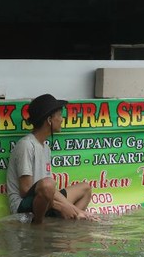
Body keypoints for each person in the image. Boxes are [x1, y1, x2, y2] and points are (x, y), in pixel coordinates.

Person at [7, 93, 95, 225]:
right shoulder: (26, 145)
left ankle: (68, 224)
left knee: (85, 189)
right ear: (49, 120)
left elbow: (50, 190)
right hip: (23, 207)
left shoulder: (46, 147)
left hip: (46, 200)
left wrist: (74, 210)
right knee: (48, 184)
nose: (62, 119)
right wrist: (61, 206)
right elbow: (25, 191)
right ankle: (38, 226)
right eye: (59, 115)